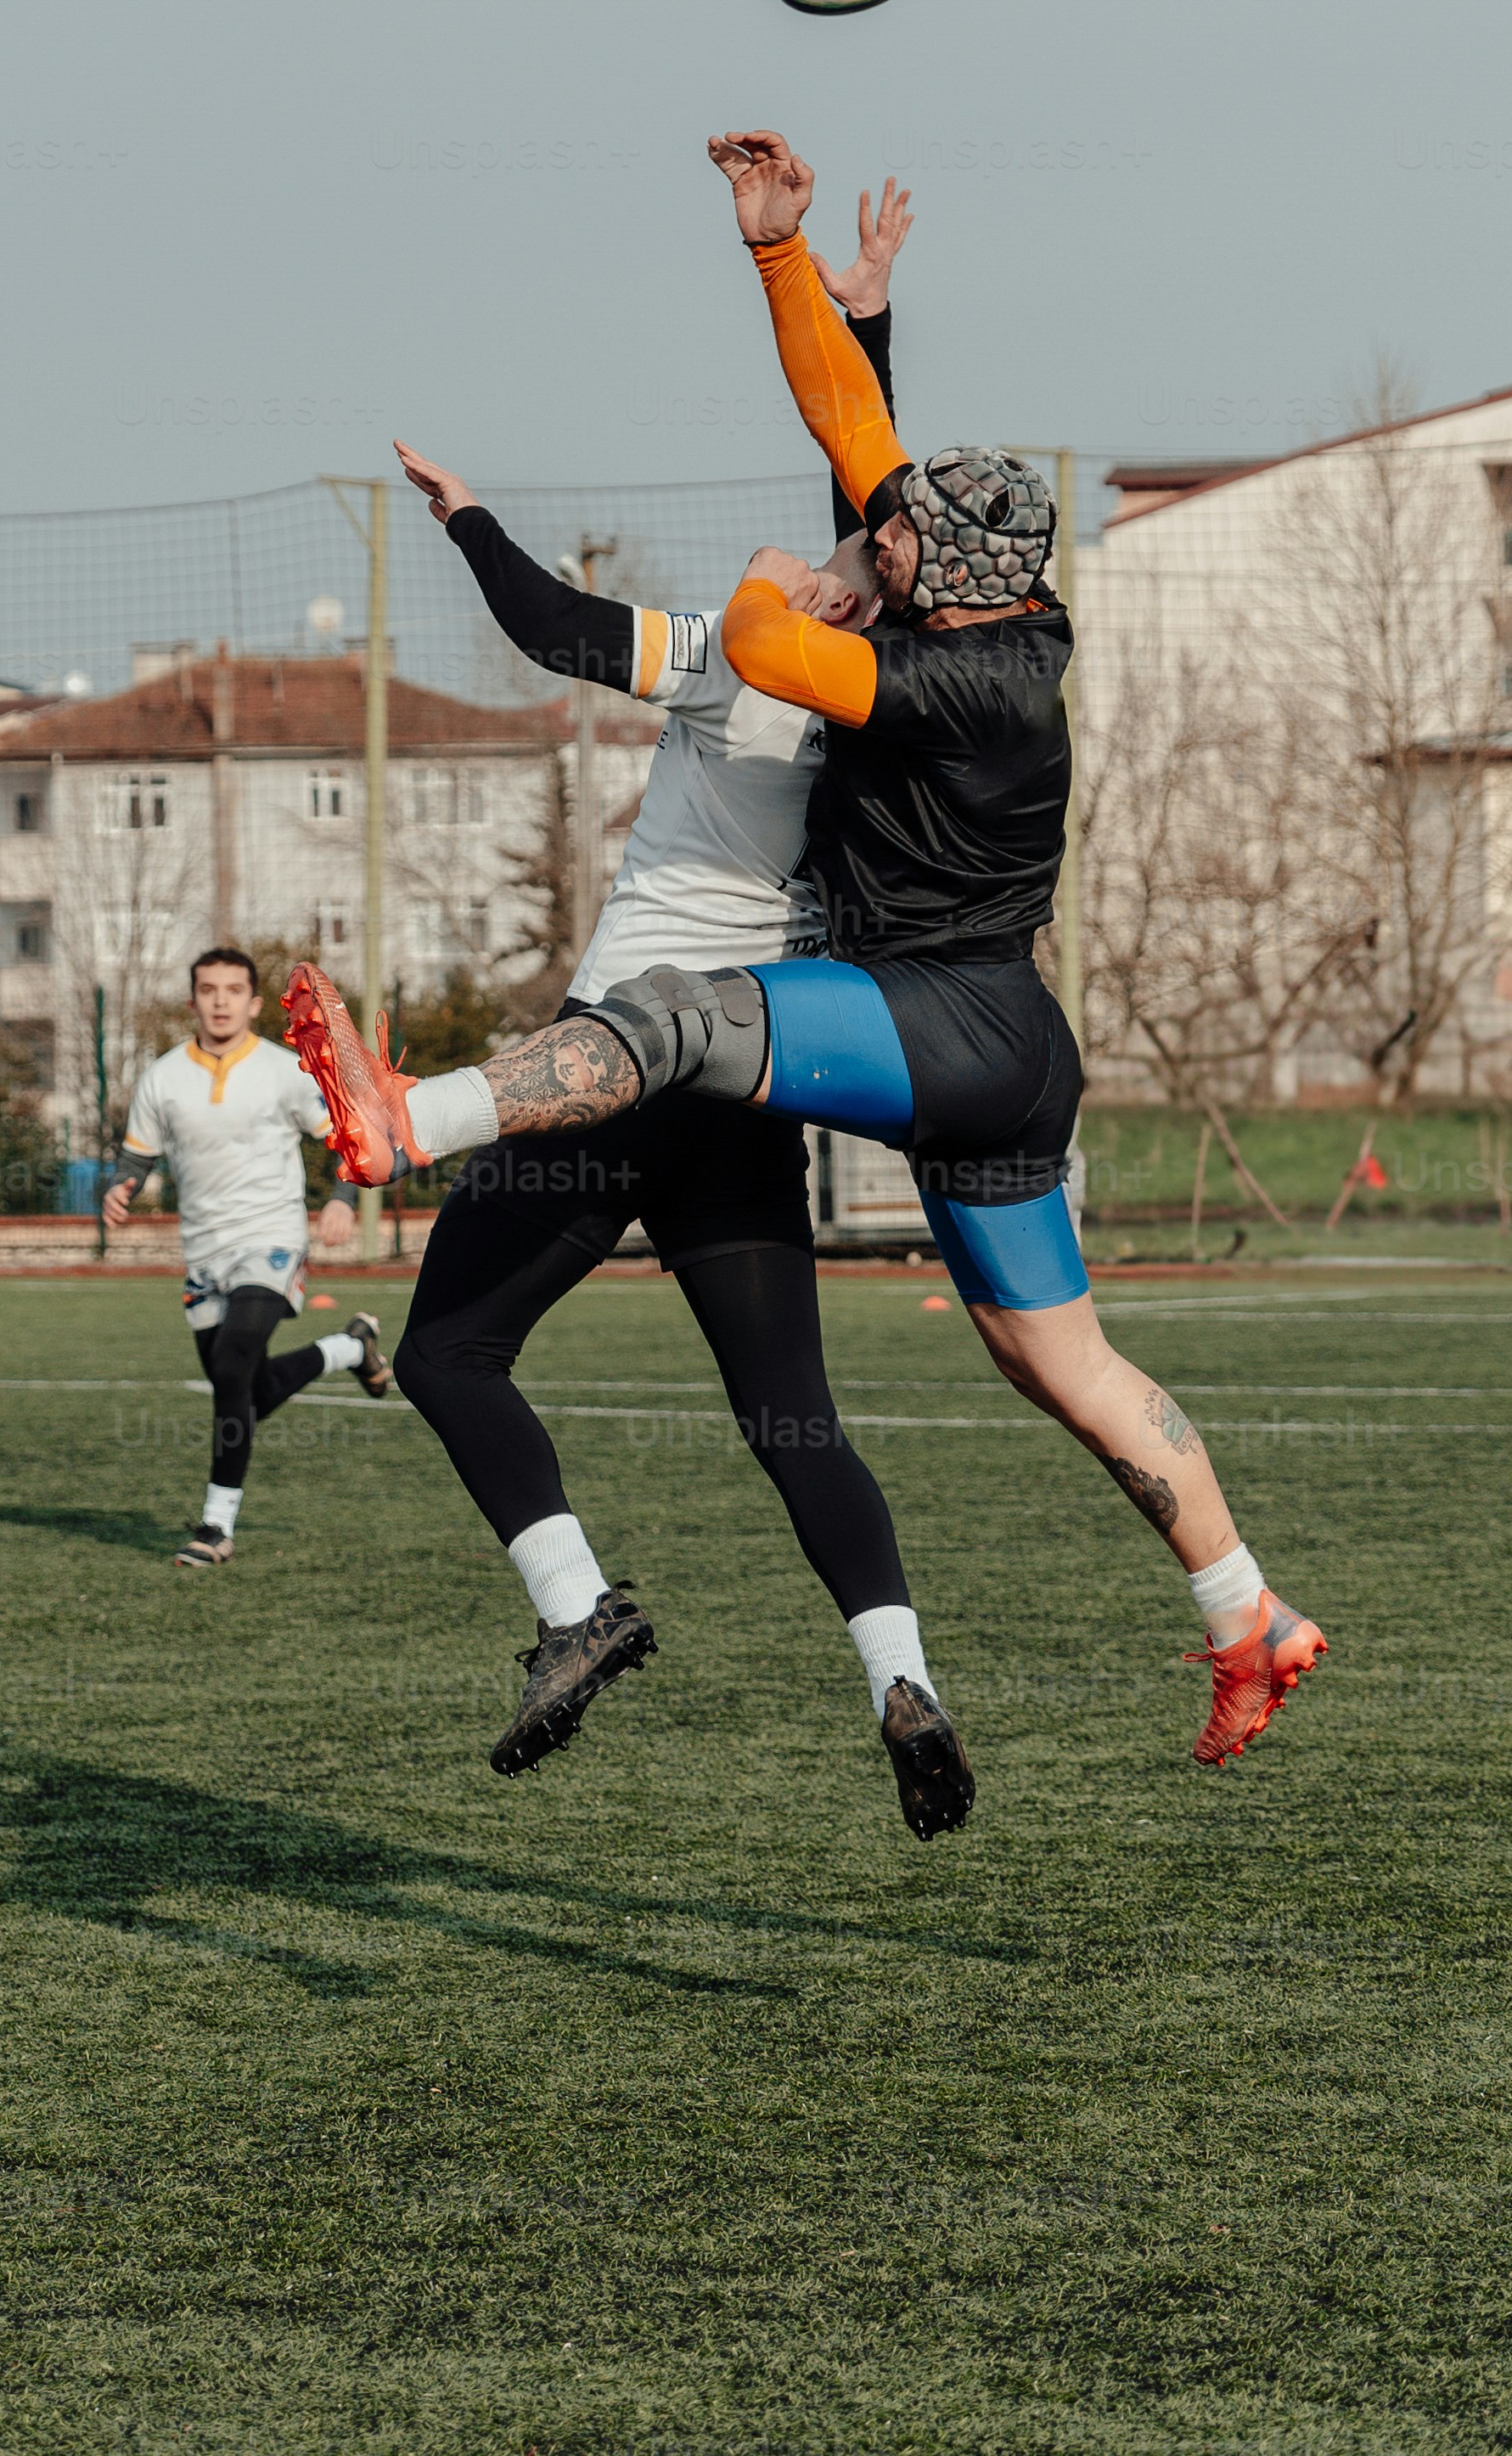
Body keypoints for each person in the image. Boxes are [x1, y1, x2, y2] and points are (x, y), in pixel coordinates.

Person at [293, 129, 1325, 1767]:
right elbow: (861, 445)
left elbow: (765, 632)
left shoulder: (910, 675)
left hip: (934, 1022)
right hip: (991, 1051)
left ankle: (404, 1121)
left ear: (936, 594)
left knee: (681, 1018)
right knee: (1057, 1369)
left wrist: (745, 582)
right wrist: (805, 279)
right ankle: (1249, 1615)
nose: (879, 532)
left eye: (898, 542)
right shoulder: (996, 613)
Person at [368, 180, 973, 1836]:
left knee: (451, 1349)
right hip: (758, 1072)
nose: (810, 537)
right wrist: (864, 320)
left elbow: (556, 628)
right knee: (795, 1425)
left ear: (832, 595)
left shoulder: (735, 649)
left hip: (616, 1061)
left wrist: (467, 516)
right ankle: (898, 1677)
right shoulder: (886, 696)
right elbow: (882, 494)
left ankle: (579, 1611)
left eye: (827, 551)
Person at [102, 946, 391, 1568]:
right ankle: (350, 1348)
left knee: (233, 1366)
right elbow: (138, 1155)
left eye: (234, 990)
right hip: (204, 1254)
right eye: (208, 990)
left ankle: (215, 1525)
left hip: (273, 1240)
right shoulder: (162, 1077)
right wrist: (121, 1186)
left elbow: (347, 1137)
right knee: (244, 1387)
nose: (221, 1001)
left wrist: (342, 1198)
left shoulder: (286, 1071)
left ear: (255, 1003)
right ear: (193, 1000)